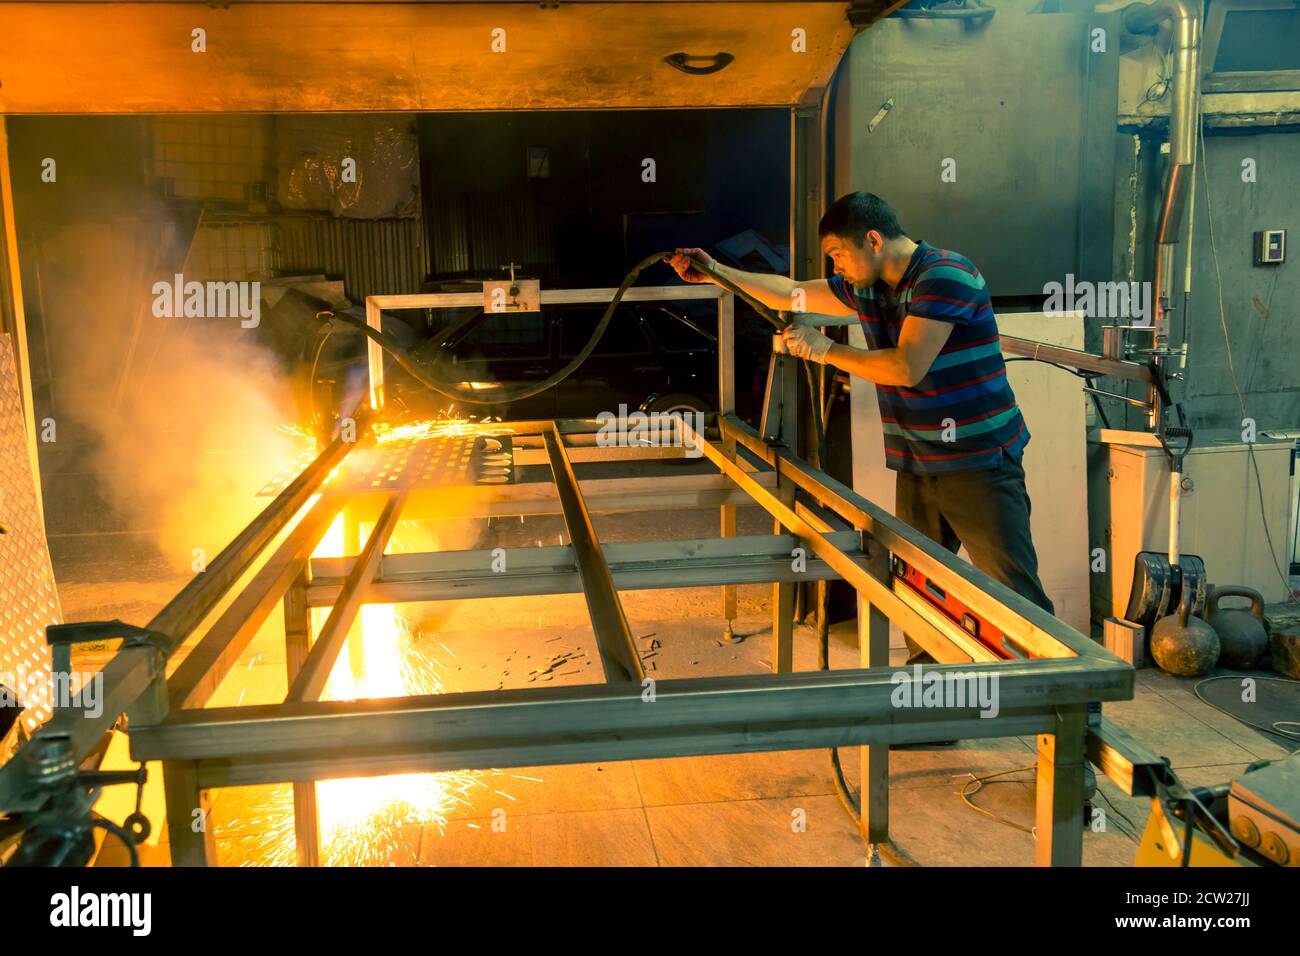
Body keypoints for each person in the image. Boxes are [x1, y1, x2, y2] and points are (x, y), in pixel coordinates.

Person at [667, 191, 1054, 665]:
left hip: (979, 462)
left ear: (872, 239)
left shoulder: (945, 276)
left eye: (838, 255)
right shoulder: (868, 287)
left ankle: (1065, 708)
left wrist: (822, 349)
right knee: (918, 589)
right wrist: (716, 272)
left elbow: (907, 366)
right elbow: (790, 290)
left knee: (1013, 594)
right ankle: (930, 703)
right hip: (919, 461)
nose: (837, 268)